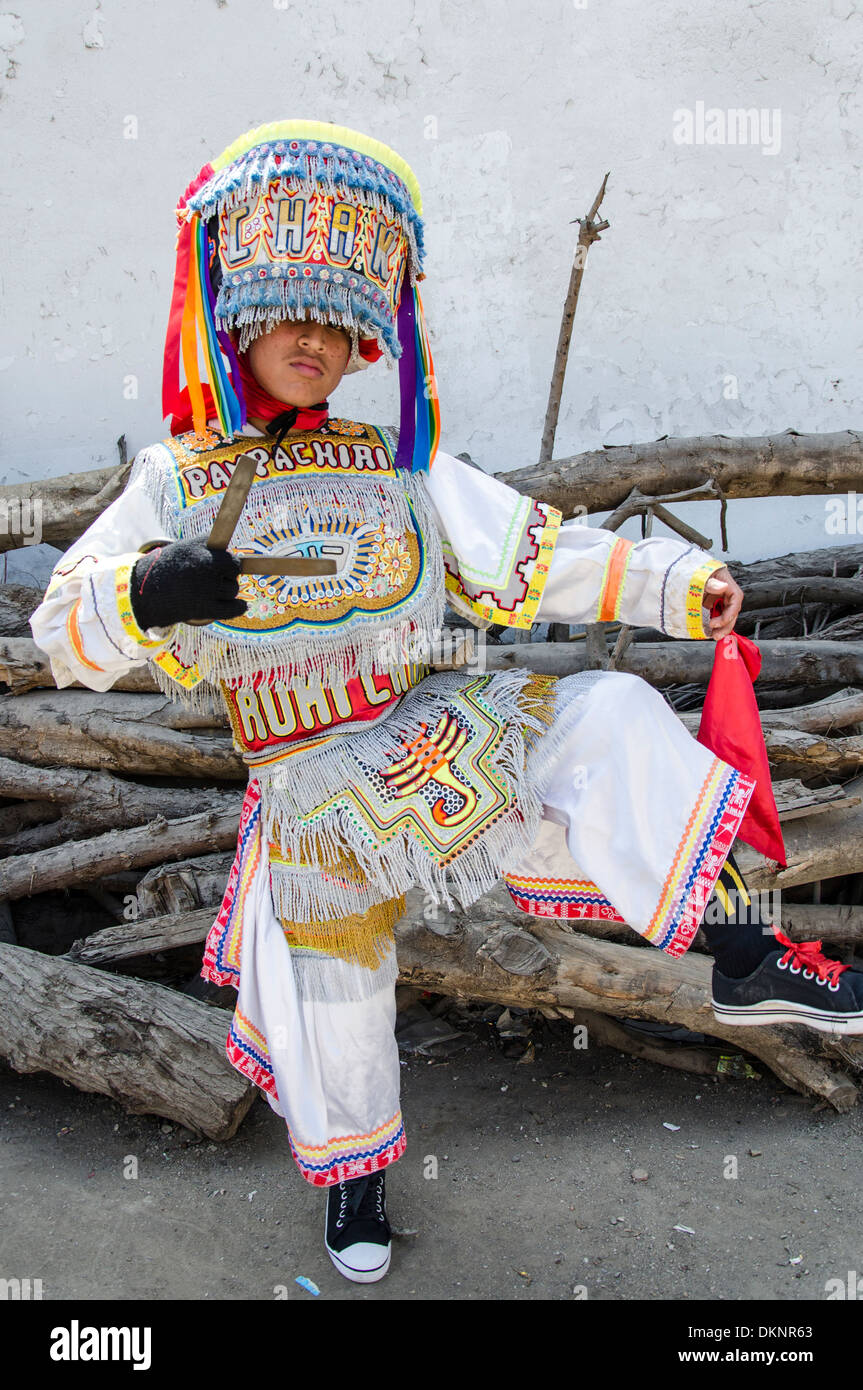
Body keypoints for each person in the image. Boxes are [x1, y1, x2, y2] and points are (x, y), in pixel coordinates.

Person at [30, 119, 863, 1286]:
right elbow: (59, 628)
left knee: (608, 711)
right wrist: (148, 585)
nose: (313, 340)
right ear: (237, 318)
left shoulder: (401, 464)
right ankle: (352, 1179)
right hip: (309, 783)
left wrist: (682, 582)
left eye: (338, 319)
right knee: (334, 987)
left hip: (434, 734)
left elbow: (536, 554)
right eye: (289, 314)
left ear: (367, 335)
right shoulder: (178, 476)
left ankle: (740, 948)